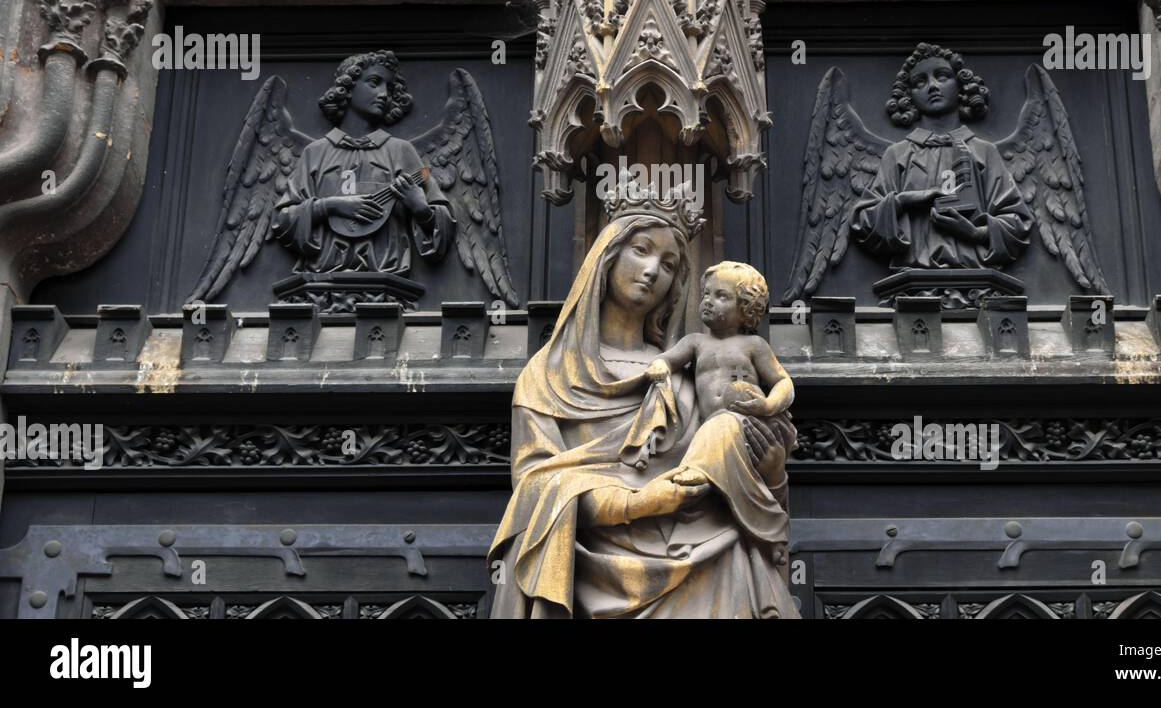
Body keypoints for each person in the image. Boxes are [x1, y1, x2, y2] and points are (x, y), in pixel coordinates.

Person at [488, 208, 799, 618]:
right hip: (591, 566)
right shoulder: (548, 375)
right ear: (607, 256)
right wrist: (640, 502)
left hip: (706, 555)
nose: (653, 270)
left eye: (669, 264)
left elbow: (739, 481)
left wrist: (773, 472)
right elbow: (534, 489)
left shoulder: (687, 379)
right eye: (641, 250)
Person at [851, 44, 1032, 271]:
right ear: (909, 97)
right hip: (910, 285)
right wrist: (902, 201)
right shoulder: (897, 154)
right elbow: (863, 222)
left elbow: (1017, 223)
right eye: (920, 82)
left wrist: (976, 233)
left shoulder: (984, 152)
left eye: (942, 76)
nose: (932, 86)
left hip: (979, 281)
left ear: (961, 86)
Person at [621, 261, 793, 500]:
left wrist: (768, 405)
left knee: (723, 423)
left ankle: (695, 467)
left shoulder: (754, 345)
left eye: (721, 296)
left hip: (748, 424)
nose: (709, 301)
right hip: (709, 425)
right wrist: (660, 365)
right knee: (715, 425)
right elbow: (666, 360)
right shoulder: (695, 342)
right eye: (706, 294)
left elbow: (783, 382)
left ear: (746, 308)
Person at [272, 50, 453, 275]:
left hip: (389, 285)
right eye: (374, 83)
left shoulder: (400, 151)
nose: (384, 94)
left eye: (389, 88)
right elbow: (283, 221)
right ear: (347, 88)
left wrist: (421, 209)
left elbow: (443, 227)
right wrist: (330, 206)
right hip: (318, 286)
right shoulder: (315, 153)